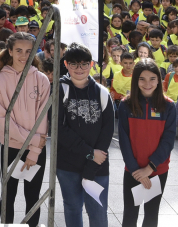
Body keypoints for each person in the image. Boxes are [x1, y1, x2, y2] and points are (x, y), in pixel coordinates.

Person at [0, 32, 50, 226]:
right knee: (8, 194)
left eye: (28, 51)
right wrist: (33, 141)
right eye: (19, 51)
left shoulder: (41, 79)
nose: (24, 56)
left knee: (33, 196)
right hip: (10, 147)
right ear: (10, 51)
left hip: (37, 150)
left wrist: (34, 150)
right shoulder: (0, 80)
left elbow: (43, 117)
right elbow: (2, 120)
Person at [54, 42, 115, 227]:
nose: (79, 68)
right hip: (68, 164)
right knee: (72, 208)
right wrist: (89, 152)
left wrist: (93, 161)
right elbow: (58, 129)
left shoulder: (103, 93)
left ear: (91, 64)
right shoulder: (59, 89)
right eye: (73, 64)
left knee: (97, 211)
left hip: (97, 164)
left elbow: (107, 130)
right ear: (66, 65)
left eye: (83, 64)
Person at [117, 58, 177, 227]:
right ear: (135, 80)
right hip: (133, 170)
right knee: (130, 213)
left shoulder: (169, 106)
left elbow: (168, 141)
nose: (147, 83)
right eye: (142, 79)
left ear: (159, 80)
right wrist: (136, 170)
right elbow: (124, 140)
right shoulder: (126, 105)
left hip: (157, 170)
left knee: (151, 214)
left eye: (152, 79)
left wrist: (150, 168)